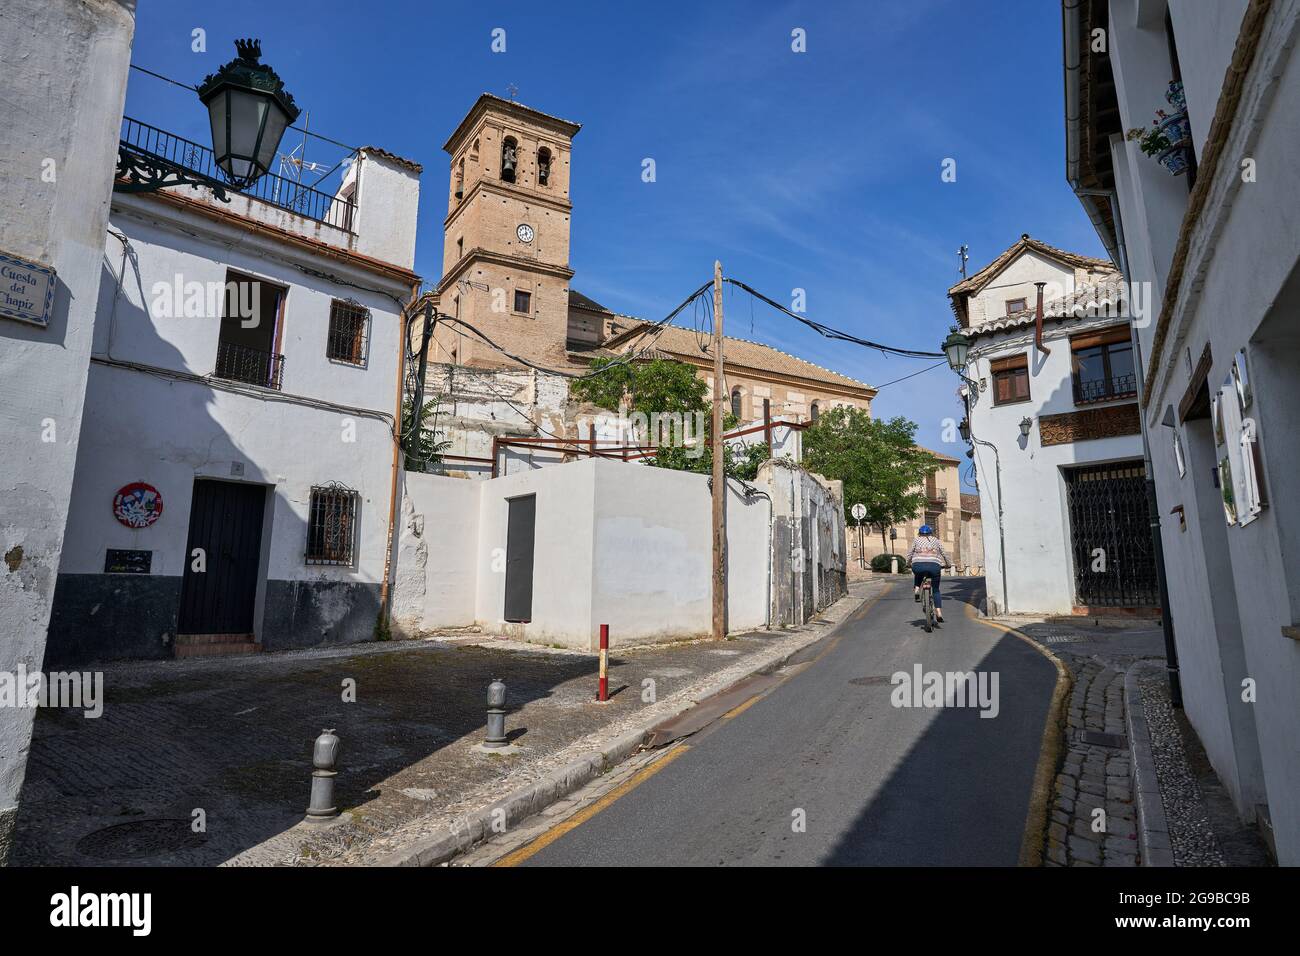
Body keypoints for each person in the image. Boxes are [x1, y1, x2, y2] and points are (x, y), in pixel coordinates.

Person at [907, 525, 951, 623]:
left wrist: (907, 563)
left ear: (919, 533)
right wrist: (948, 564)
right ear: (931, 533)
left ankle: (917, 588)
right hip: (934, 566)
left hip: (918, 565)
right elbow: (944, 553)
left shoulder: (916, 540)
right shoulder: (936, 540)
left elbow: (910, 553)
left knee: (918, 573)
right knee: (935, 590)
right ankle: (938, 612)